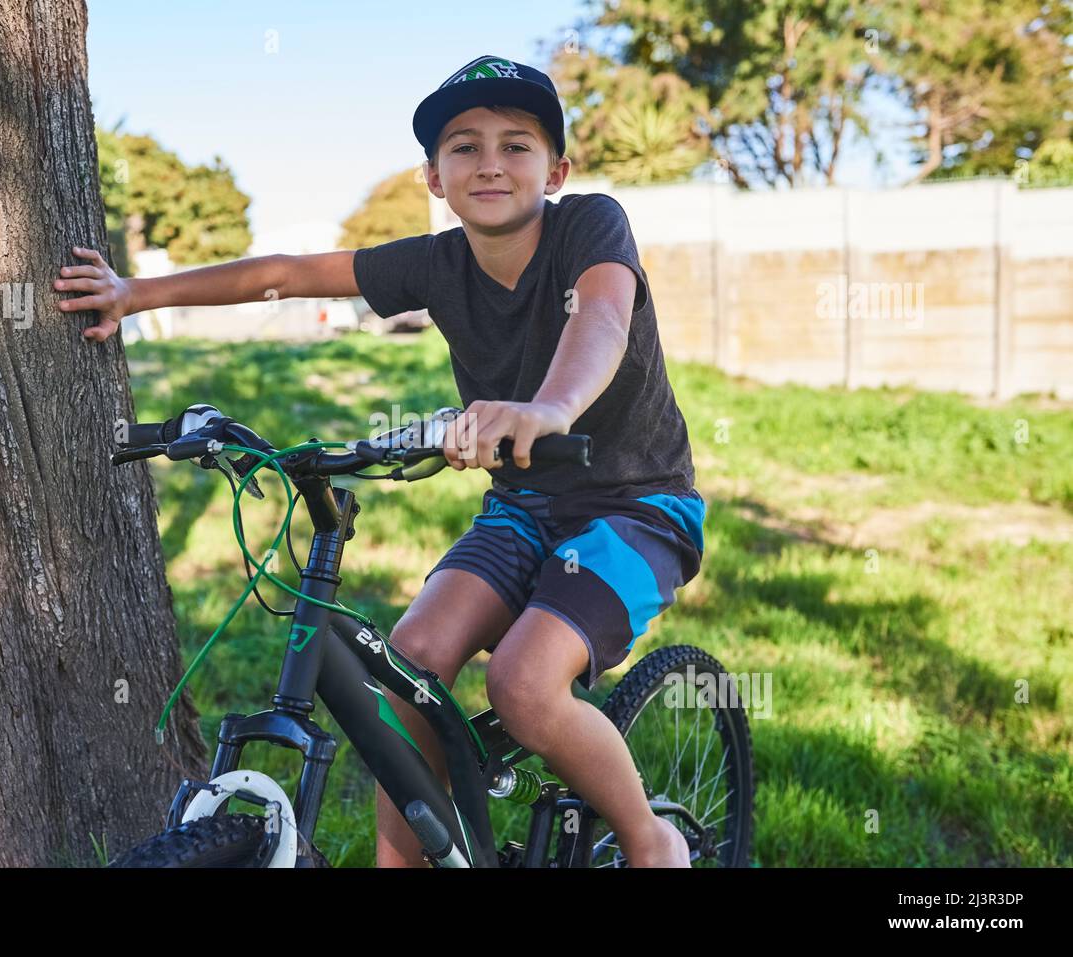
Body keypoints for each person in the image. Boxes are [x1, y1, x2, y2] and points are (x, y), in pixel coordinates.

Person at [54, 54, 704, 869]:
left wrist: (548, 410)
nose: (491, 163)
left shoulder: (590, 226)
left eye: (517, 144)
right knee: (406, 669)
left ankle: (652, 839)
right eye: (464, 147)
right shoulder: (435, 265)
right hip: (524, 508)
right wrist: (134, 294)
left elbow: (602, 320)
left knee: (524, 685)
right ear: (435, 177)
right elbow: (286, 276)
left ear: (557, 168)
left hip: (635, 505)